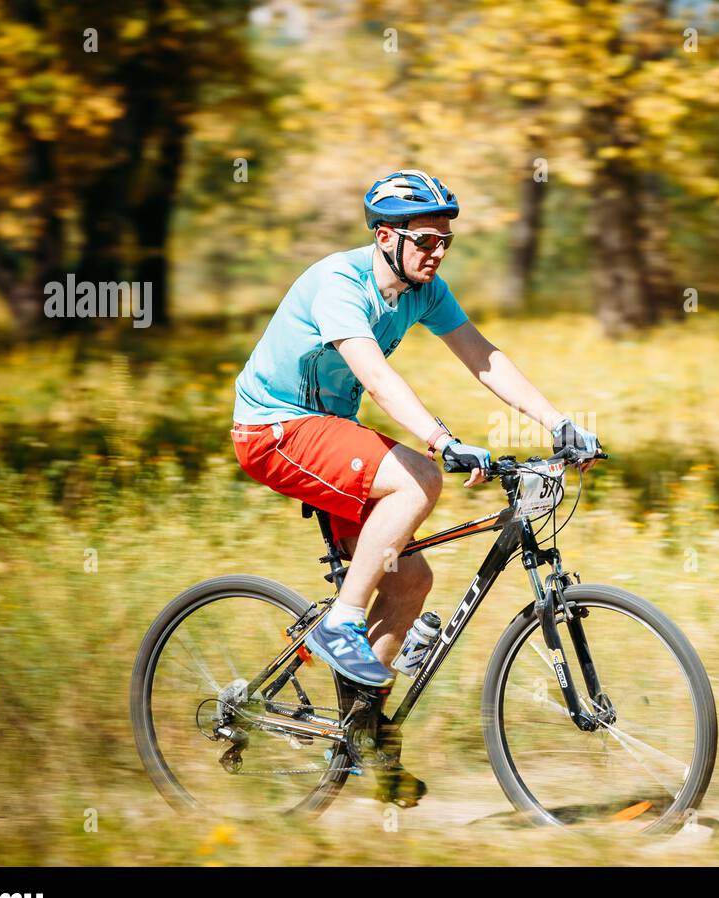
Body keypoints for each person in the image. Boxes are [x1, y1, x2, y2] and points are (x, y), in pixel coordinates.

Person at [231, 169, 601, 690]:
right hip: (275, 429)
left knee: (410, 582)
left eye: (445, 241)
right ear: (385, 236)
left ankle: (364, 735)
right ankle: (342, 623)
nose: (437, 252)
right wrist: (441, 442)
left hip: (327, 431)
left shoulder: (422, 292)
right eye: (425, 240)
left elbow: (482, 355)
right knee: (420, 478)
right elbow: (377, 378)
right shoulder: (339, 284)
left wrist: (559, 422)